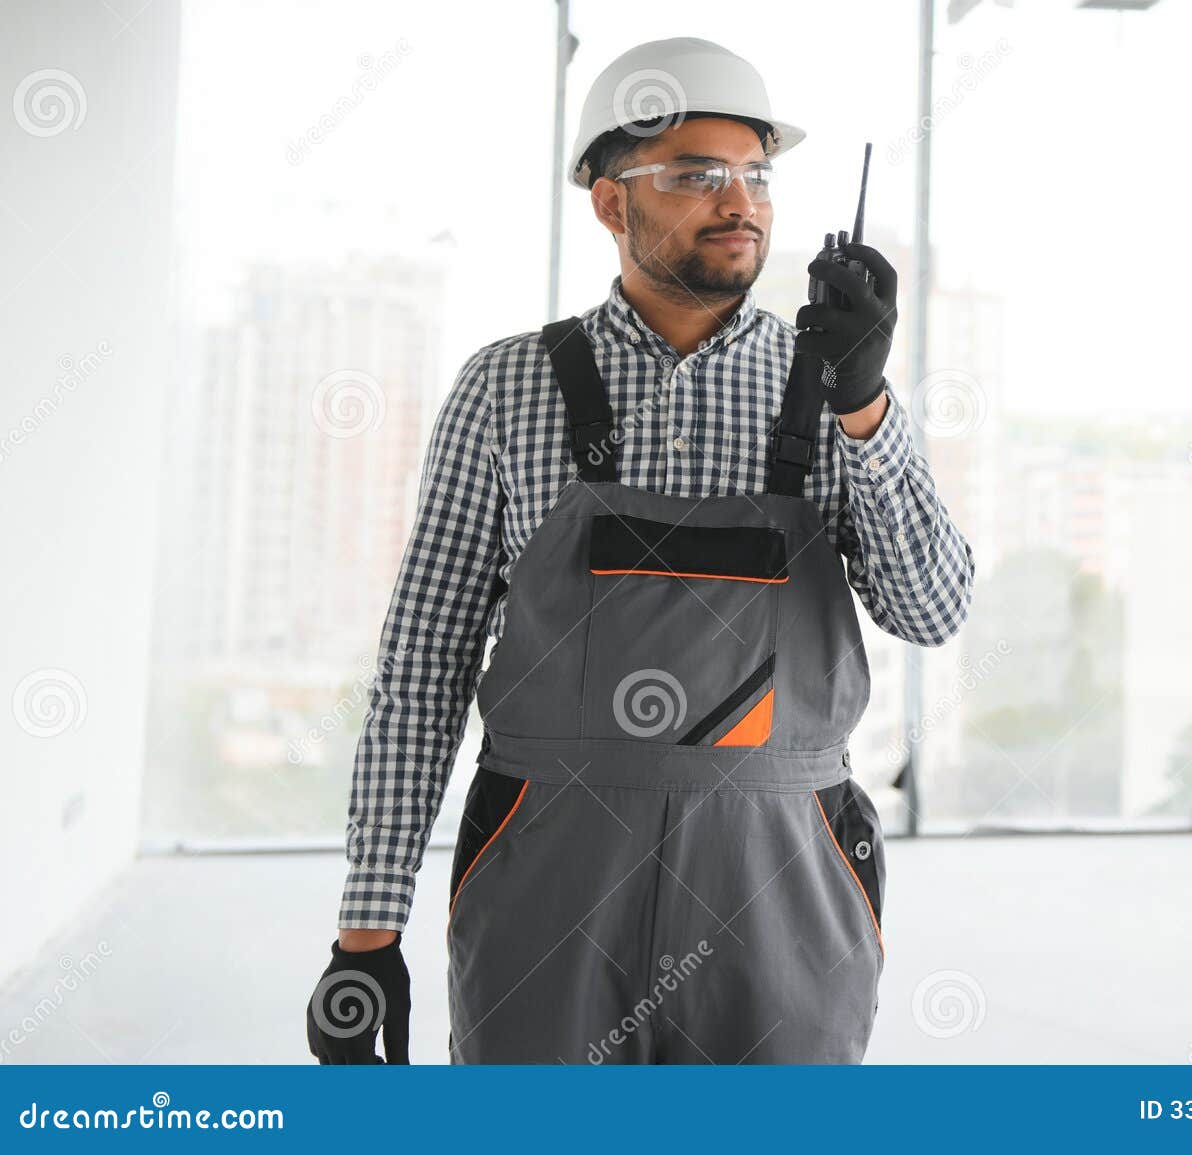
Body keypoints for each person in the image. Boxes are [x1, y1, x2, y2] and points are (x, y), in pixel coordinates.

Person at [306, 35, 974, 1065]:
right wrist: (367, 931)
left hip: (780, 879)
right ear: (612, 204)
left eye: (756, 176)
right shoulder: (507, 388)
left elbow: (929, 611)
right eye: (698, 176)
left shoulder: (840, 389)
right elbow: (421, 668)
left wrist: (867, 406)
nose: (739, 202)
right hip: (545, 877)